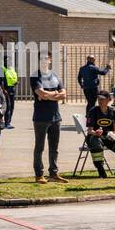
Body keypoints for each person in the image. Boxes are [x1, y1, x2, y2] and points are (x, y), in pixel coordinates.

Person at [31, 53, 68, 185]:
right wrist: (54, 94)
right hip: (41, 117)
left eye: (47, 58)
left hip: (55, 117)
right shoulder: (36, 76)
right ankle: (39, 175)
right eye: (41, 59)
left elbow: (64, 94)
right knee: (39, 147)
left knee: (54, 147)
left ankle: (53, 173)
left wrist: (49, 95)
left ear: (50, 60)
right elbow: (40, 93)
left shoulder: (55, 76)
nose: (44, 61)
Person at [86, 91, 115, 178]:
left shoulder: (112, 112)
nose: (100, 101)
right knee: (97, 144)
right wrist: (96, 132)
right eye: (99, 99)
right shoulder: (93, 111)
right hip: (94, 137)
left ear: (109, 100)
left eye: (102, 99)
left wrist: (114, 135)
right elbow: (89, 130)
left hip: (108, 137)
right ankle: (100, 169)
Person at [1, 62, 18, 129]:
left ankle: (8, 122)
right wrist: (3, 90)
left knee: (12, 107)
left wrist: (16, 82)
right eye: (7, 61)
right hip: (5, 90)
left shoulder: (12, 69)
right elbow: (0, 81)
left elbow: (14, 78)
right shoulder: (2, 69)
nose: (9, 63)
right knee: (8, 106)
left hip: (12, 89)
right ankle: (6, 123)